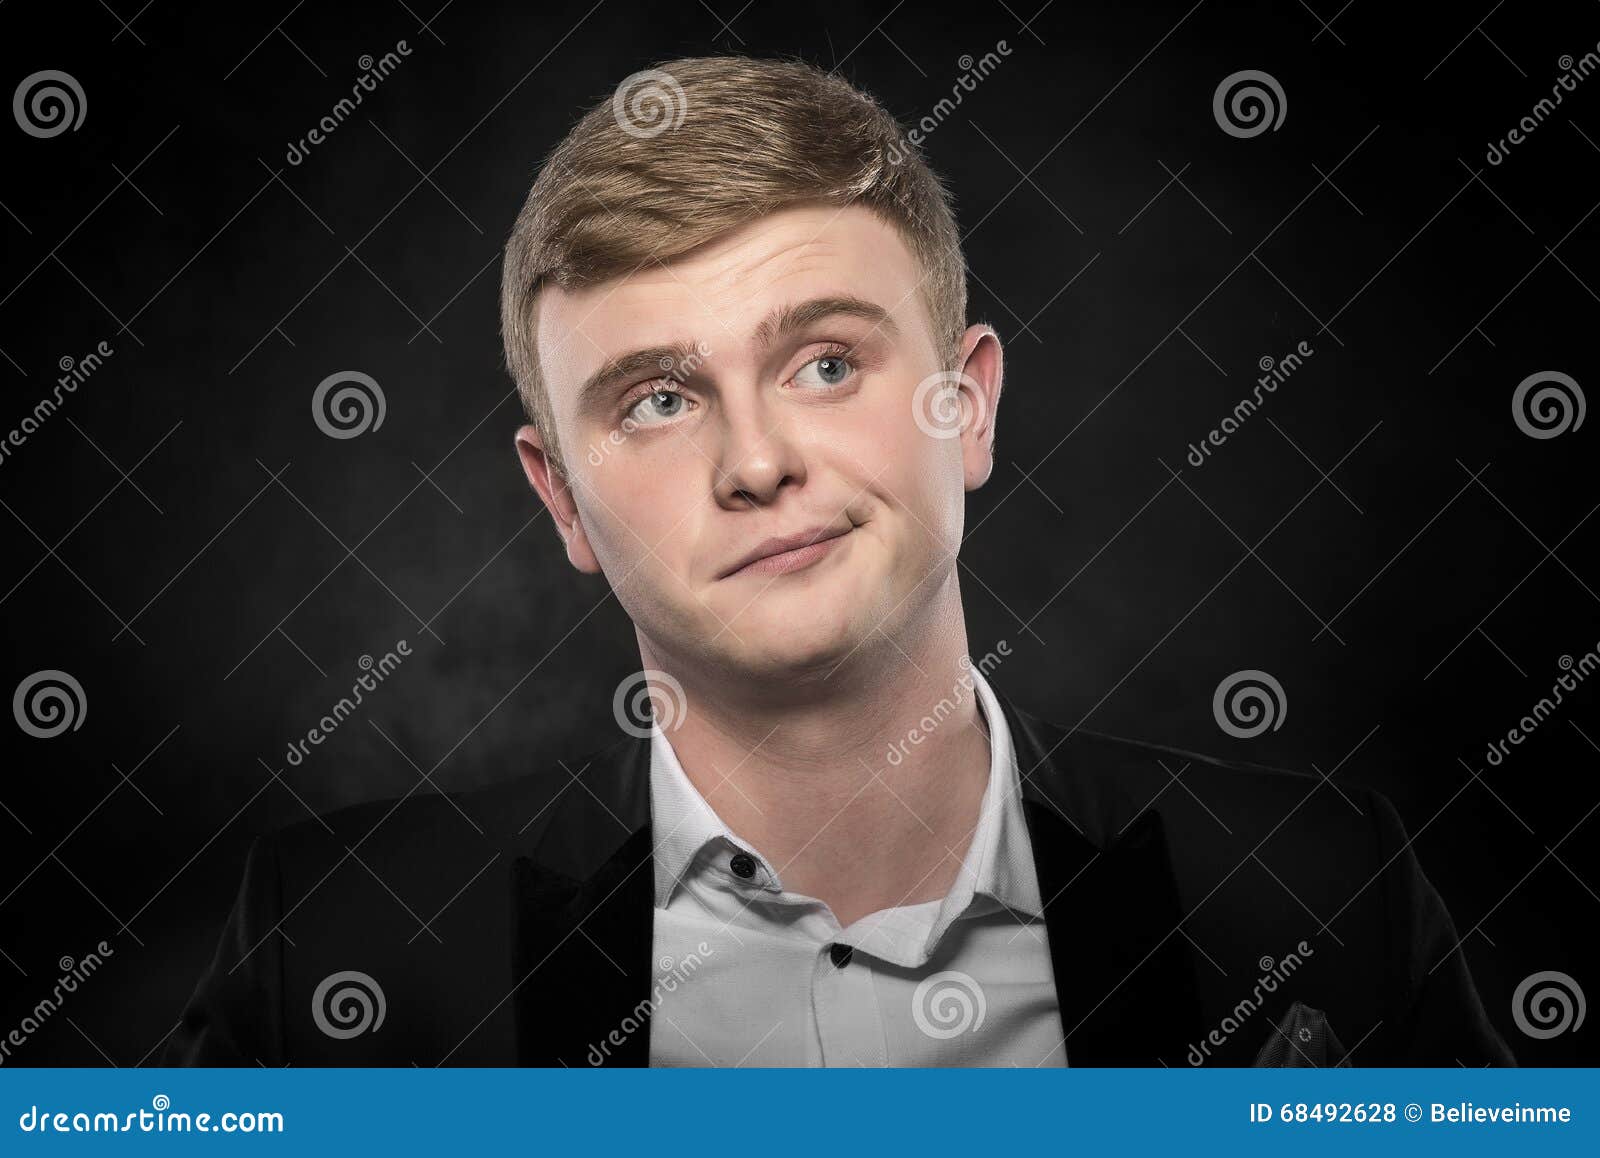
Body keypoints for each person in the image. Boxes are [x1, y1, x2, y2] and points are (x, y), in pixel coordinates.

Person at [167, 54, 1513, 1067]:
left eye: (824, 362)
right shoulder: (339, 949)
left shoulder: (1324, 897)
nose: (757, 462)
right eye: (656, 396)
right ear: (562, 499)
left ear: (967, 404)